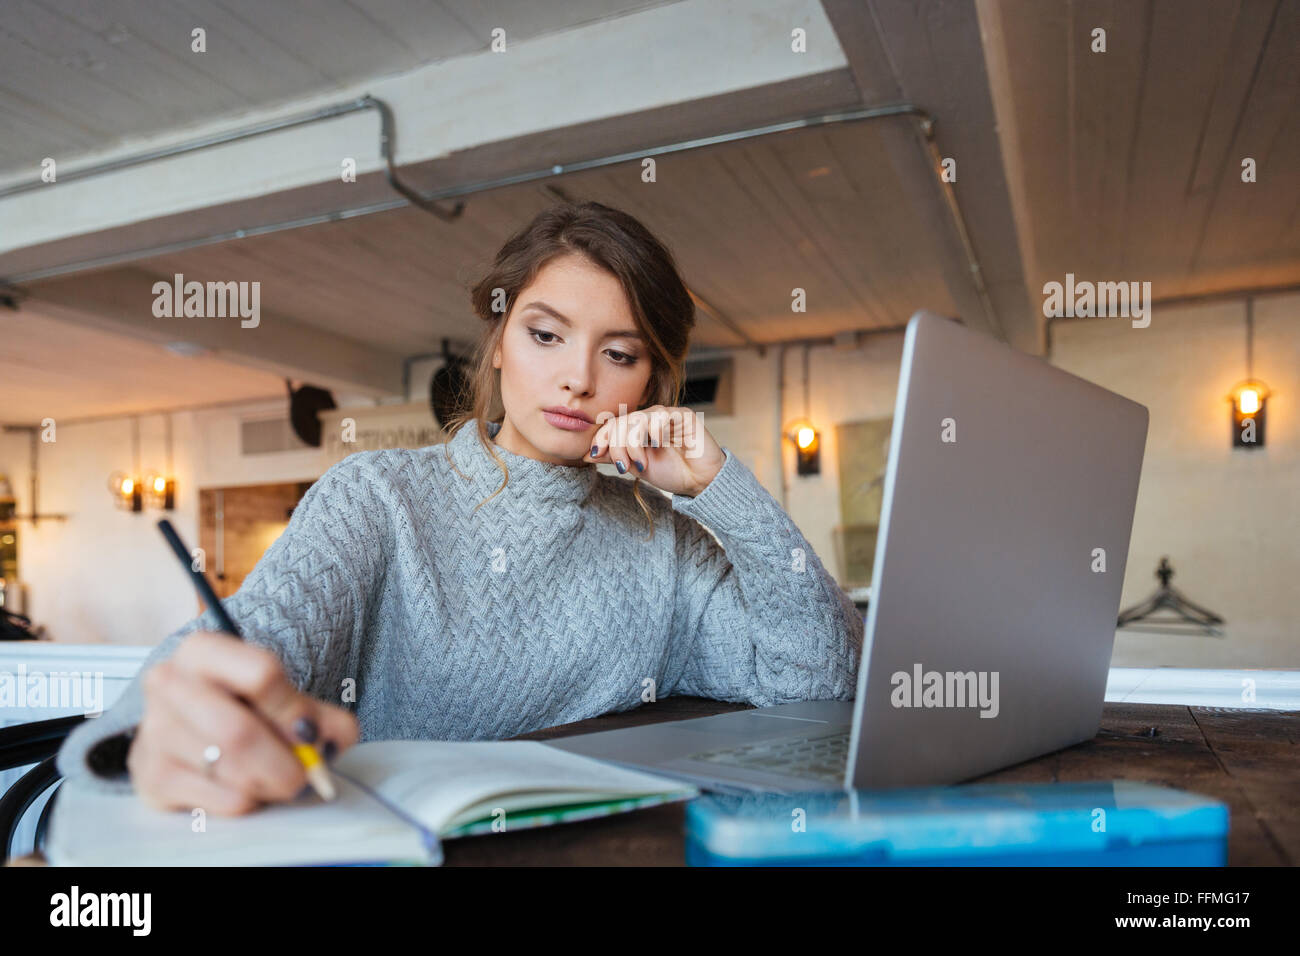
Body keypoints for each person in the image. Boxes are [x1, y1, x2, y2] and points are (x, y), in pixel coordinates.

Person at [57, 200, 864, 815]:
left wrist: (724, 486)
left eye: (618, 354)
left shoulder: (667, 544)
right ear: (500, 339)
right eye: (547, 336)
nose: (579, 378)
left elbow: (821, 680)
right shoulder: (378, 498)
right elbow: (267, 624)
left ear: (650, 383)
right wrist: (147, 733)